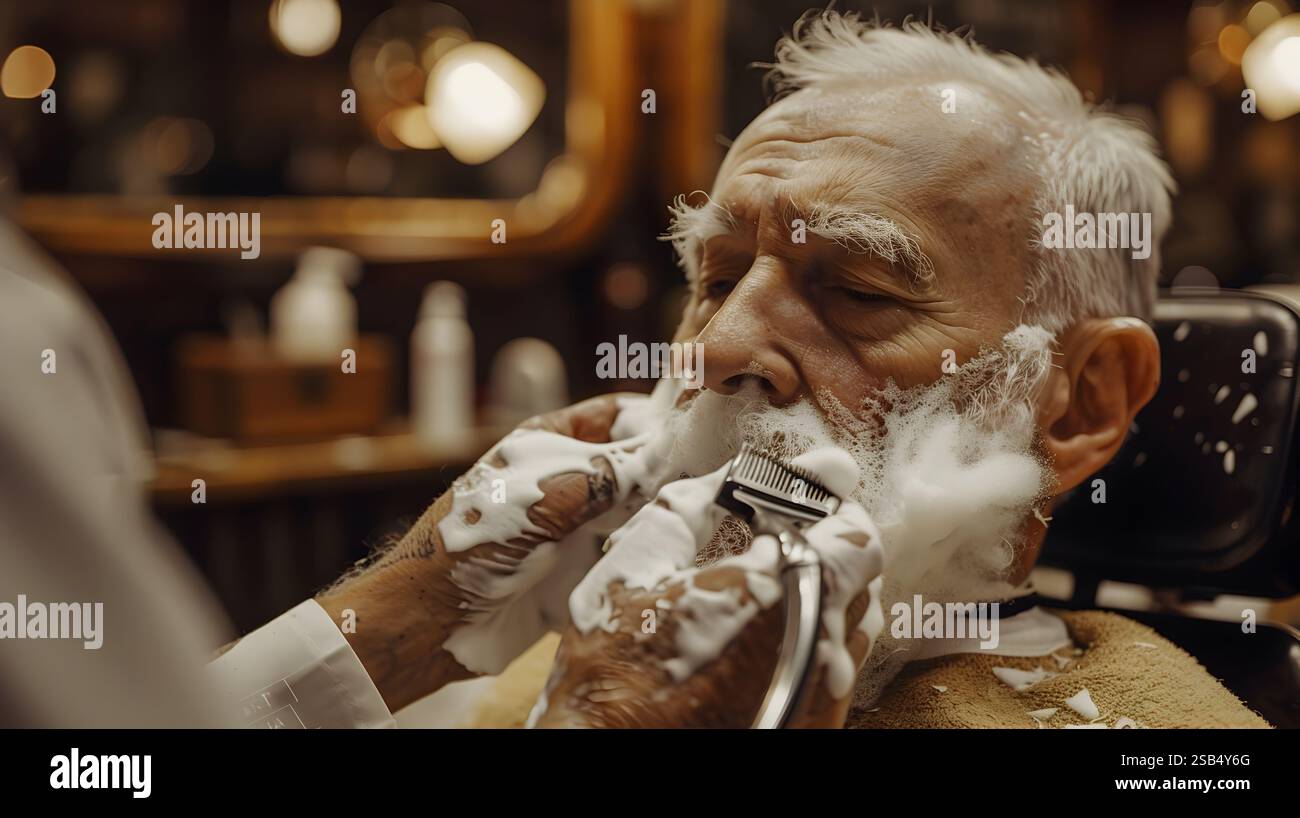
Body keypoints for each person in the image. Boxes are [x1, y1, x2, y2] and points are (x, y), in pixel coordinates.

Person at [0, 12, 1269, 729]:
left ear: (1077, 401)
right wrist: (401, 613)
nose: (713, 348)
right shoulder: (533, 674)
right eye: (715, 276)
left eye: (859, 289)